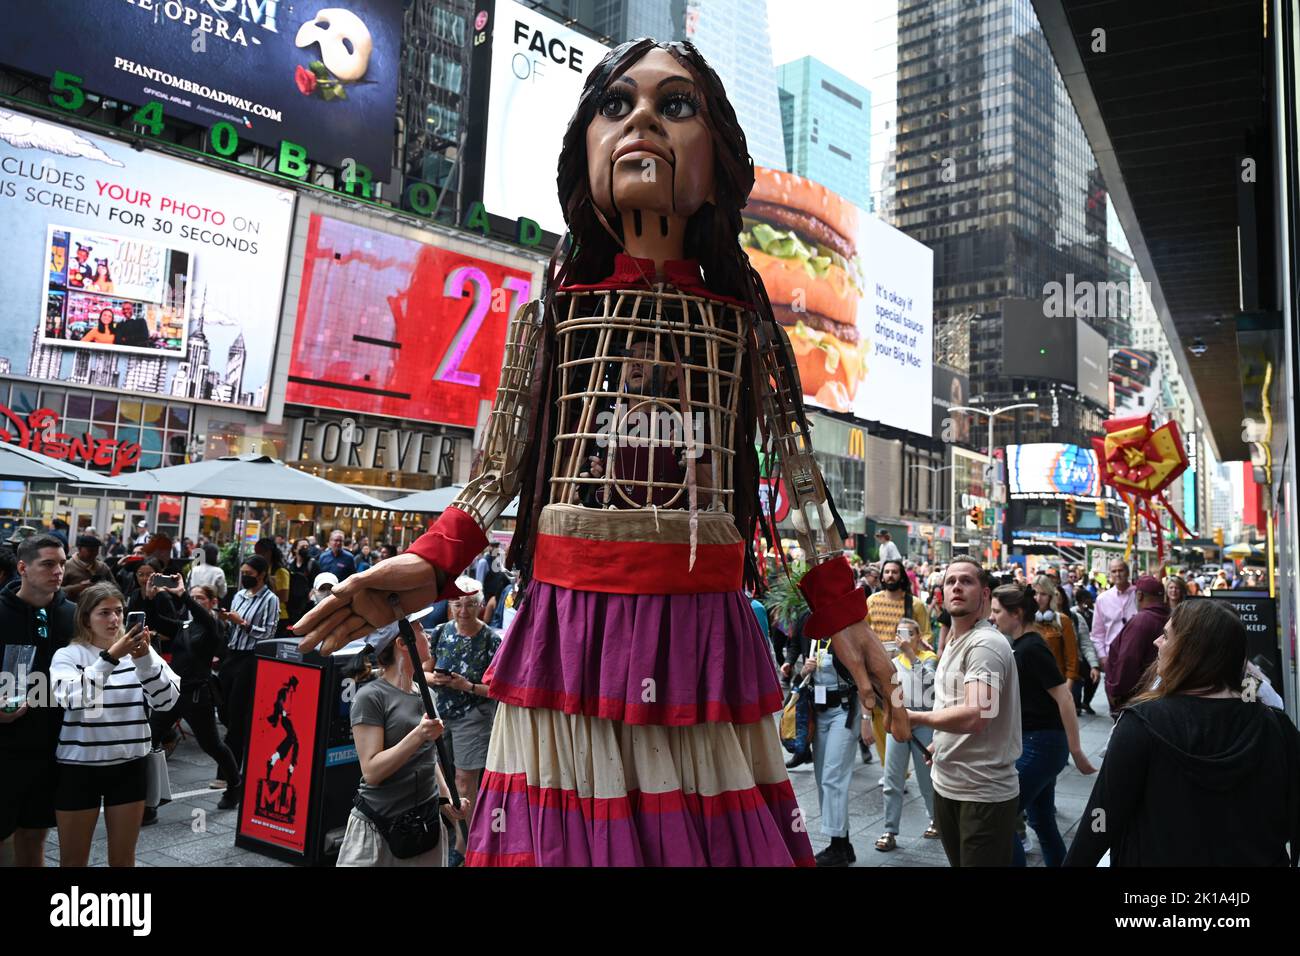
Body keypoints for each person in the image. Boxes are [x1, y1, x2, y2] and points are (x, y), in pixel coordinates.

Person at [295, 38, 906, 868]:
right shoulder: (546, 316)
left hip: (703, 636)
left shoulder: (747, 323)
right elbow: (496, 476)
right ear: (585, 146)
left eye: (675, 104)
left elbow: (791, 481)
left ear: (717, 157)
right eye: (617, 105)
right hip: (569, 631)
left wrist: (839, 612)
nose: (643, 119)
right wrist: (432, 564)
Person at [1065, 599, 1300, 866]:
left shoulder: (1141, 725)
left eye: (1166, 635)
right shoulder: (1276, 726)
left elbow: (1102, 816)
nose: (1157, 642)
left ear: (1191, 651)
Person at [50, 583, 179, 866]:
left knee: (123, 859)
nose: (114, 620)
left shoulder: (142, 654)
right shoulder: (68, 656)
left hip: (129, 766)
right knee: (72, 860)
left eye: (119, 611)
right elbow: (73, 699)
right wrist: (110, 659)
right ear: (86, 618)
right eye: (104, 612)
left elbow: (166, 701)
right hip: (79, 768)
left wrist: (144, 660)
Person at [907, 556, 1021, 867]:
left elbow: (976, 715)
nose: (957, 586)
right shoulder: (956, 642)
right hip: (948, 784)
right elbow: (953, 704)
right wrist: (938, 742)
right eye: (950, 581)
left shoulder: (985, 644)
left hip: (982, 793)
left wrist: (915, 718)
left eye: (967, 581)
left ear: (984, 594)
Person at [338, 621, 470, 867]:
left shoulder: (427, 694)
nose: (428, 634)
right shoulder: (371, 697)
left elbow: (430, 758)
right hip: (377, 828)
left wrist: (446, 801)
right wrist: (418, 734)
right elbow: (372, 771)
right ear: (402, 643)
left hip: (424, 827)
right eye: (420, 629)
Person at [988, 584, 1096, 867]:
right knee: (1041, 820)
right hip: (1037, 743)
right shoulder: (1023, 645)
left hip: (1042, 745)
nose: (992, 617)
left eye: (997, 612)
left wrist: (1077, 750)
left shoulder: (1032, 647)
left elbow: (1065, 698)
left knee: (999, 816)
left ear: (1017, 613)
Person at [0, 535, 75, 866]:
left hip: (54, 747)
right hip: (5, 746)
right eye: (48, 564)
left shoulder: (74, 615)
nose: (58, 571)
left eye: (61, 563)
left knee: (35, 834)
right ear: (22, 568)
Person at [426, 578, 501, 867]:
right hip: (441, 715)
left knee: (464, 781)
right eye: (458, 604)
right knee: (442, 780)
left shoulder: (491, 639)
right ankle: (462, 833)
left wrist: (466, 685)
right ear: (450, 606)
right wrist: (439, 680)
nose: (464, 611)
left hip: (474, 717)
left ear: (480, 606)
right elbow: (424, 671)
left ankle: (464, 844)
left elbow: (496, 688)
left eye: (470, 605)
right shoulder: (442, 632)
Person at [146, 585, 241, 812]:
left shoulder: (213, 626)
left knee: (213, 745)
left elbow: (203, 618)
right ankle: (149, 801)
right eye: (194, 596)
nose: (197, 601)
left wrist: (185, 596)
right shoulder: (184, 626)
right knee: (149, 740)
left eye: (201, 598)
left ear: (212, 602)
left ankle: (234, 786)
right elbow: (155, 621)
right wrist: (150, 597)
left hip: (197, 696)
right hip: (172, 692)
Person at [215, 555, 280, 810]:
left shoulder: (270, 600)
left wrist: (241, 623)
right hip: (231, 656)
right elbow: (232, 629)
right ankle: (233, 764)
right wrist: (227, 622)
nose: (246, 575)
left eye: (250, 572)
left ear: (262, 574)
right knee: (224, 711)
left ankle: (227, 775)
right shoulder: (239, 595)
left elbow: (269, 632)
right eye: (243, 571)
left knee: (237, 717)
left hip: (250, 659)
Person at [876, 618, 939, 851]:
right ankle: (889, 830)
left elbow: (932, 686)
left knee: (926, 777)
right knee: (892, 779)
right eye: (900, 634)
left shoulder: (928, 659)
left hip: (923, 721)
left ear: (918, 637)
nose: (904, 638)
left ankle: (936, 820)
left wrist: (912, 656)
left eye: (909, 634)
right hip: (899, 722)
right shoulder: (892, 663)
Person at [864, 559, 931, 763]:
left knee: (900, 712)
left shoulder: (915, 604)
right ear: (881, 576)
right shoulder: (871, 602)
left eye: (894, 572)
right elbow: (864, 632)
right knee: (879, 714)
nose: (890, 575)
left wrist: (922, 644)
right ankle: (888, 766)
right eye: (887, 572)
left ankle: (899, 766)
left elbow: (926, 633)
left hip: (904, 668)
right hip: (876, 666)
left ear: (901, 576)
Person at [1105, 575, 1170, 712]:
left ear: (1139, 595)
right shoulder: (1168, 617)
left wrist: (1116, 690)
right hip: (1150, 694)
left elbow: (1128, 659)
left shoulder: (1141, 620)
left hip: (1134, 697)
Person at [1030, 575, 1079, 688]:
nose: (1038, 598)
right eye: (1035, 594)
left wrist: (1068, 687)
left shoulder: (1062, 620)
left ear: (1051, 596)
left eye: (1043, 594)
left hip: (1057, 684)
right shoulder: (1024, 621)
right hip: (1032, 686)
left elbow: (1072, 659)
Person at [1091, 557, 1137, 668]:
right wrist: (1102, 656)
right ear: (1110, 574)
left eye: (1121, 570)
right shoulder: (1102, 599)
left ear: (1128, 572)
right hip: (1112, 658)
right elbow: (1097, 633)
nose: (1117, 574)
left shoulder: (1138, 594)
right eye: (1114, 571)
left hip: (1137, 655)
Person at [1069, 588, 1101, 716]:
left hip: (1087, 652)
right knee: (1077, 682)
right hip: (1075, 656)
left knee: (1093, 678)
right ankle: (1076, 704)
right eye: (1087, 599)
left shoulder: (1091, 613)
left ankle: (1086, 702)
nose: (1090, 602)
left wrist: (1094, 664)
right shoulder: (1072, 614)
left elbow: (1086, 641)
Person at [255, 538, 292, 636]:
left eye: (260, 552)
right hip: (264, 613)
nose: (258, 556)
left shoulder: (280, 571)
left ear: (269, 553)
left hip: (279, 616)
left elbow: (284, 597)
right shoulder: (263, 569)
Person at [61, 535, 114, 601]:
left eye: (96, 550)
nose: (94, 553)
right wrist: (77, 588)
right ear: (79, 549)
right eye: (90, 551)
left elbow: (115, 587)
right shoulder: (66, 566)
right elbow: (55, 591)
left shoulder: (102, 567)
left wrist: (103, 586)